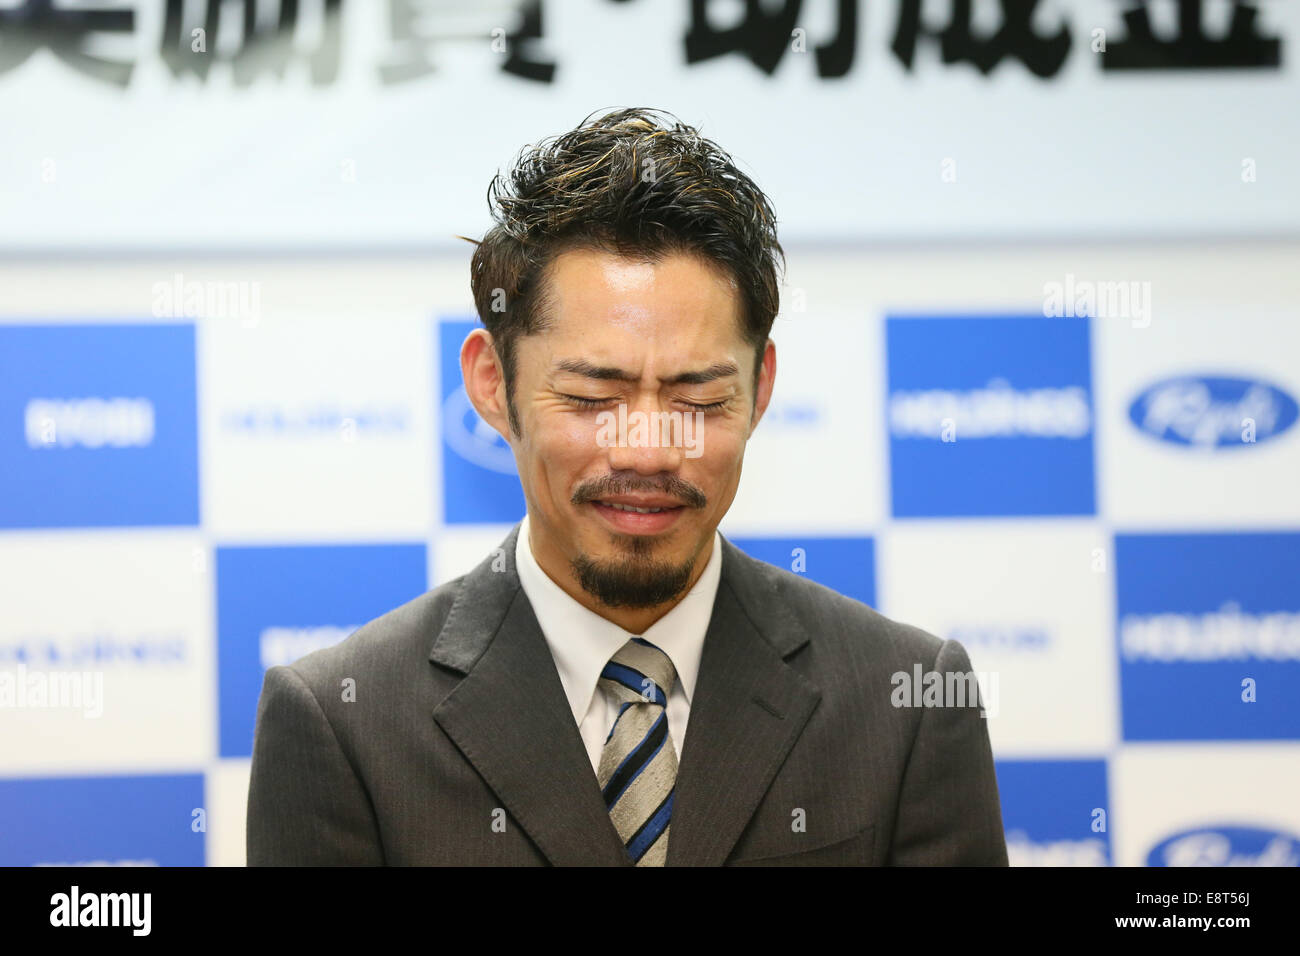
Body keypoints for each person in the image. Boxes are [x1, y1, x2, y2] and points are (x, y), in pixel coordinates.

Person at [246, 107, 1008, 866]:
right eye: (591, 398)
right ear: (492, 384)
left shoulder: (901, 703)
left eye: (699, 400)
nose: (648, 449)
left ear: (760, 388)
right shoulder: (345, 724)